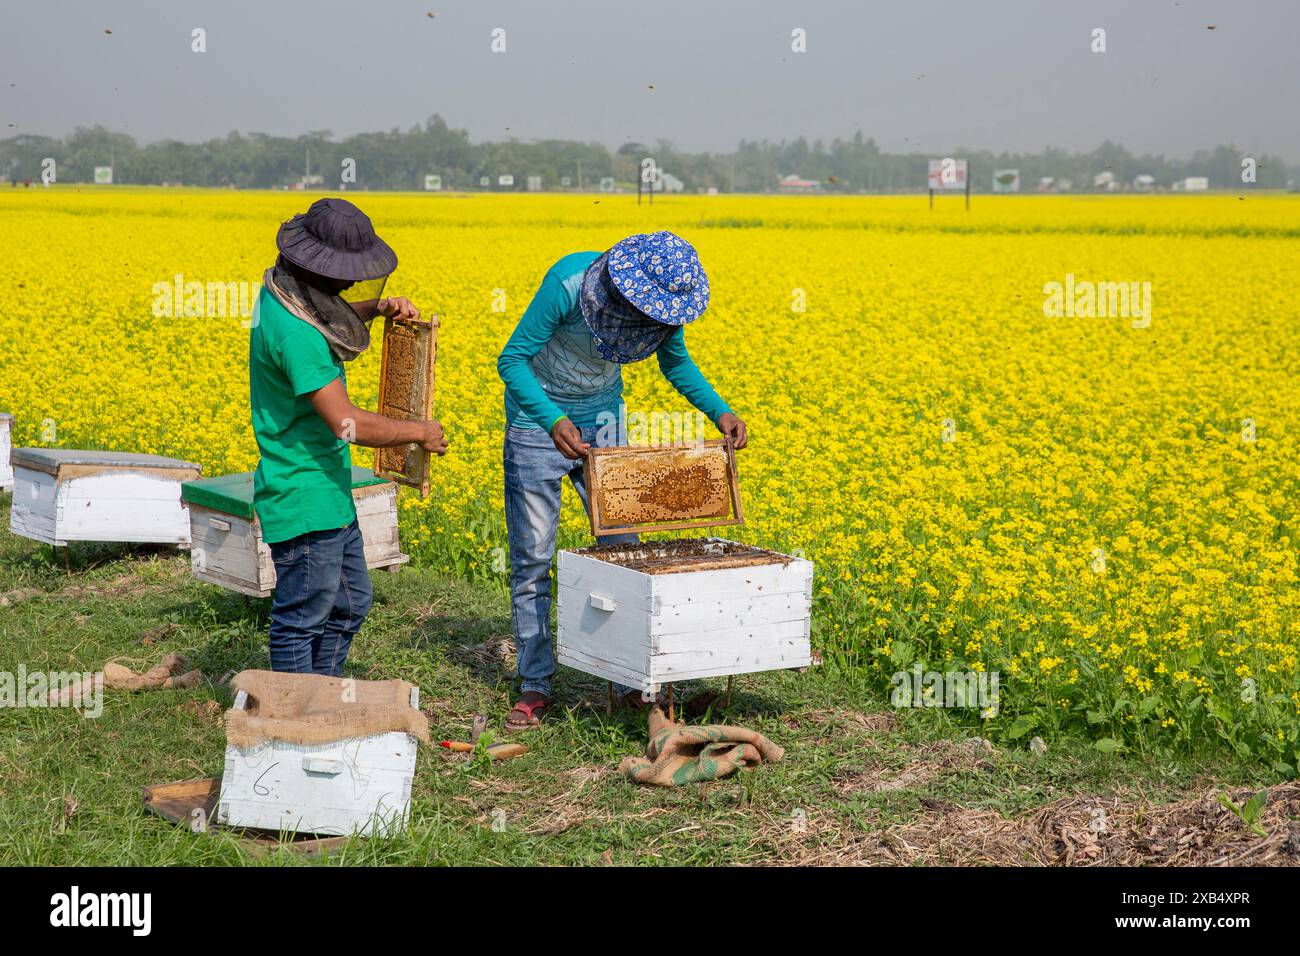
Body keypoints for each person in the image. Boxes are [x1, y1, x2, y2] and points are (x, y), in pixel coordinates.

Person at [496, 230, 747, 730]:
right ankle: (535, 683)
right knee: (533, 559)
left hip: (606, 424)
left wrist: (720, 412)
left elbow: (676, 363)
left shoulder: (659, 311)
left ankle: (636, 680)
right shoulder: (567, 284)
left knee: (626, 557)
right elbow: (512, 360)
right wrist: (552, 420)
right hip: (536, 425)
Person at [249, 197, 448, 676]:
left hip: (325, 490)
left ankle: (321, 691)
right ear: (319, 270)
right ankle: (292, 717)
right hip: (304, 496)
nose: (354, 281)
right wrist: (417, 432)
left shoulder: (279, 294)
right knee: (303, 618)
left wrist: (376, 308)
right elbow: (346, 422)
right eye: (347, 274)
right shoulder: (300, 340)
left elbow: (324, 314)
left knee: (350, 603)